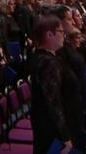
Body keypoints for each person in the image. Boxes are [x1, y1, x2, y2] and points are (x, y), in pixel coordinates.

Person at [29, 15, 74, 154]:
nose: (63, 35)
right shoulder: (48, 63)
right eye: (61, 32)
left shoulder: (41, 57)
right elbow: (53, 102)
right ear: (49, 34)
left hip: (44, 123)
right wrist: (65, 136)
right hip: (51, 129)